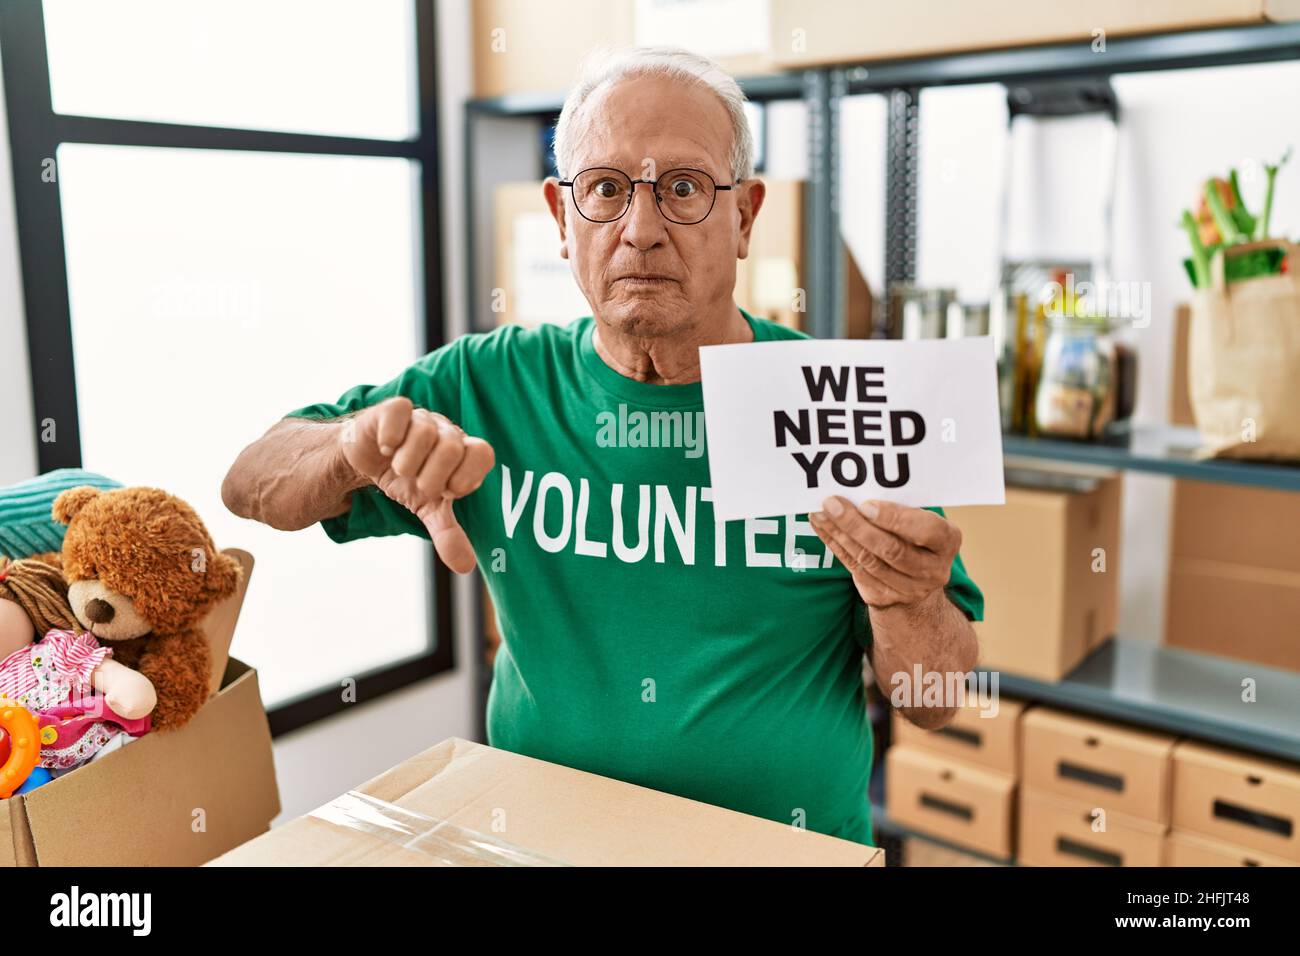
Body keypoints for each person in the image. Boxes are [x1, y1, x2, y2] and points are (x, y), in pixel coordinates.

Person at [222, 47, 982, 846]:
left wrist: (909, 601)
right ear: (561, 217)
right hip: (541, 845)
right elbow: (249, 484)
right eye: (606, 190)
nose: (642, 231)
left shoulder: (834, 405)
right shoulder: (488, 386)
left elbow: (932, 700)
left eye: (684, 189)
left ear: (745, 217)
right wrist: (351, 450)